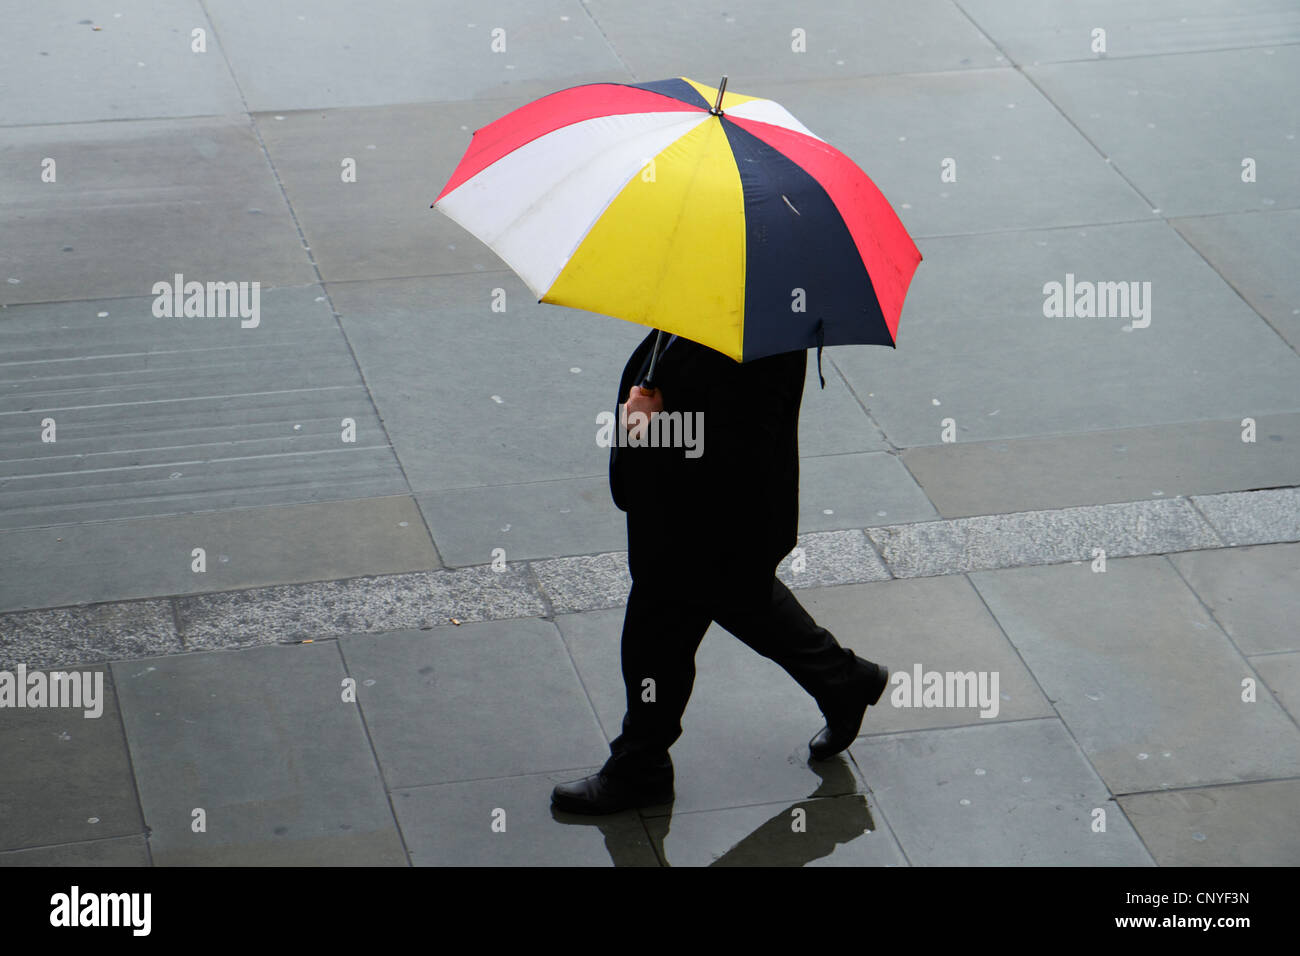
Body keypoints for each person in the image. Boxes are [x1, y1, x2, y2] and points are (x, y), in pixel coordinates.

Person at [551, 329, 889, 814]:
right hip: (692, 518)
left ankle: (640, 765)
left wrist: (657, 424)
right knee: (740, 601)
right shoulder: (708, 301)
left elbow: (740, 445)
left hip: (707, 520)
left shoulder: (760, 336)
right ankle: (843, 679)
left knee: (656, 635)